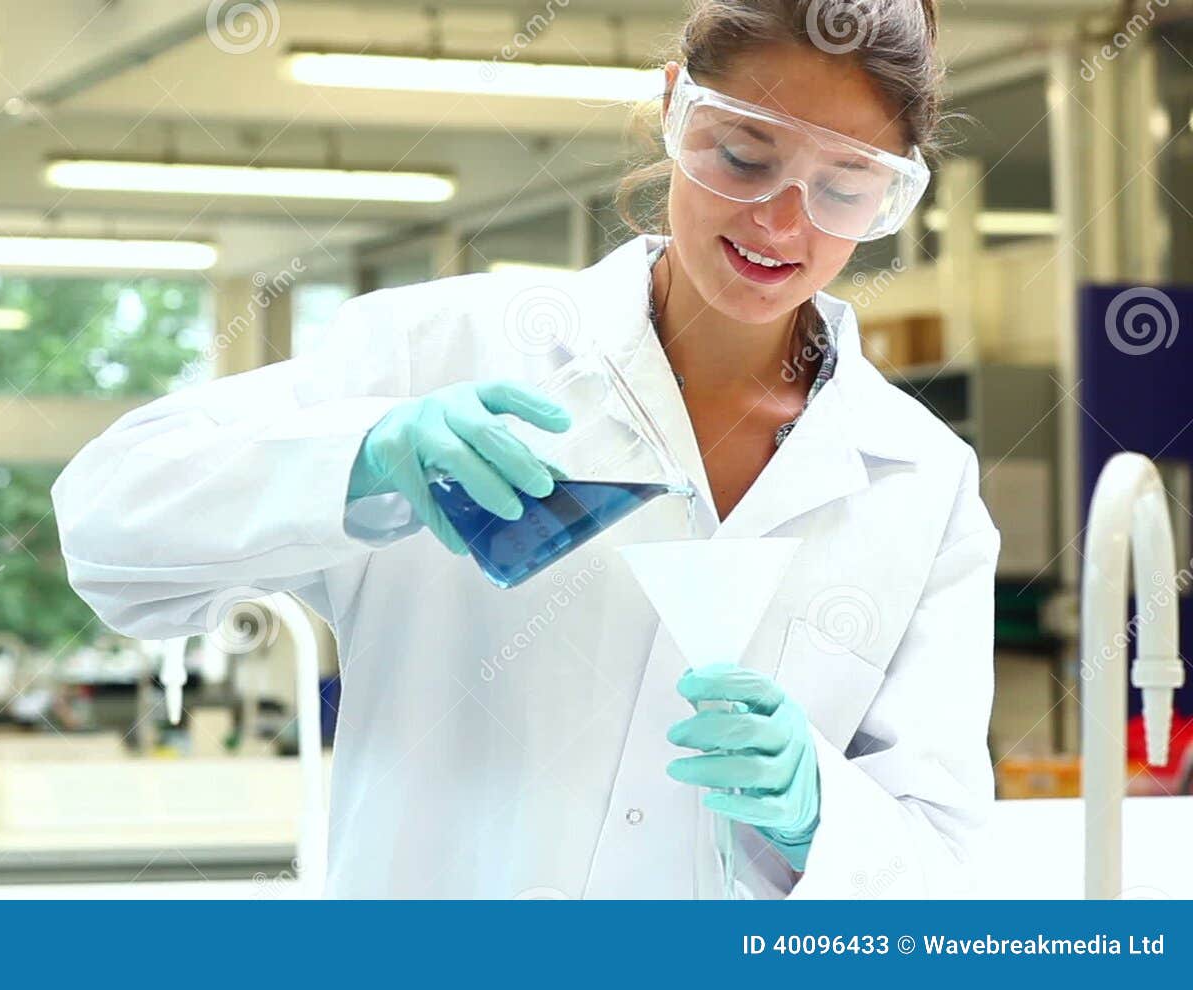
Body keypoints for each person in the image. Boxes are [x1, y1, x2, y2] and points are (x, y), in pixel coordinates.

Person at [53, 0, 1000, 898]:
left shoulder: (918, 480)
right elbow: (107, 529)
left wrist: (823, 816)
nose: (782, 225)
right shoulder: (435, 352)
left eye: (842, 189)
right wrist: (364, 458)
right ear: (675, 108)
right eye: (744, 159)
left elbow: (946, 866)